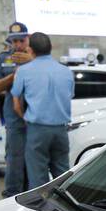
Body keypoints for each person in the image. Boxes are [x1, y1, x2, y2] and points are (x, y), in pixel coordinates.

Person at [12, 31, 75, 188]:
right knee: (62, 177)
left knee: (38, 180)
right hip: (61, 130)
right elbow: (69, 96)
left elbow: (16, 103)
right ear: (51, 48)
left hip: (37, 130)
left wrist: (24, 119)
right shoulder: (66, 71)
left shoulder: (24, 71)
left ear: (30, 50)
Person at [0, 21, 33, 197]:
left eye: (21, 41)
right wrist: (13, 76)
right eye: (13, 41)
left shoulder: (37, 56)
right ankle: (12, 194)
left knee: (34, 157)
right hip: (14, 114)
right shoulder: (3, 58)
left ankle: (33, 191)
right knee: (14, 156)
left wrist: (32, 62)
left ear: (28, 39)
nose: (17, 45)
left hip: (35, 112)